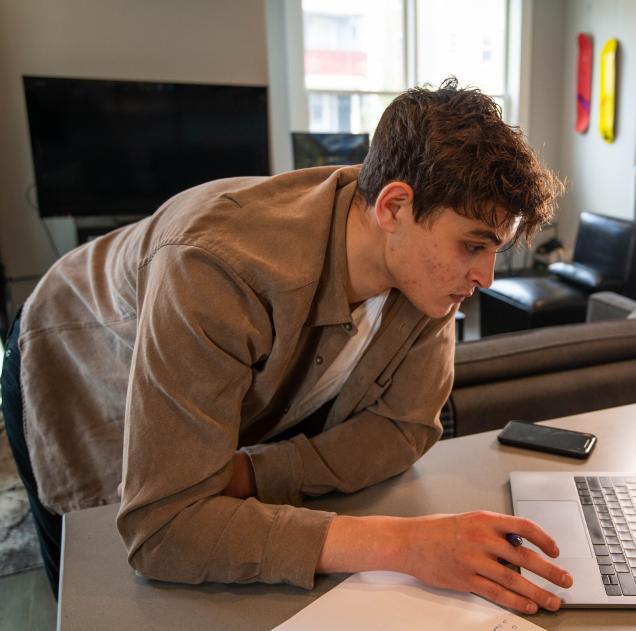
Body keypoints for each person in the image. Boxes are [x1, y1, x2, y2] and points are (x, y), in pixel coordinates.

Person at [1, 78, 572, 615]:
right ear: (394, 206)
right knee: (93, 584)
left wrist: (252, 474)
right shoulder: (218, 265)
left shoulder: (421, 270)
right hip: (75, 349)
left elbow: (405, 428)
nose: (487, 277)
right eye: (474, 245)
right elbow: (165, 529)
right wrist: (406, 544)